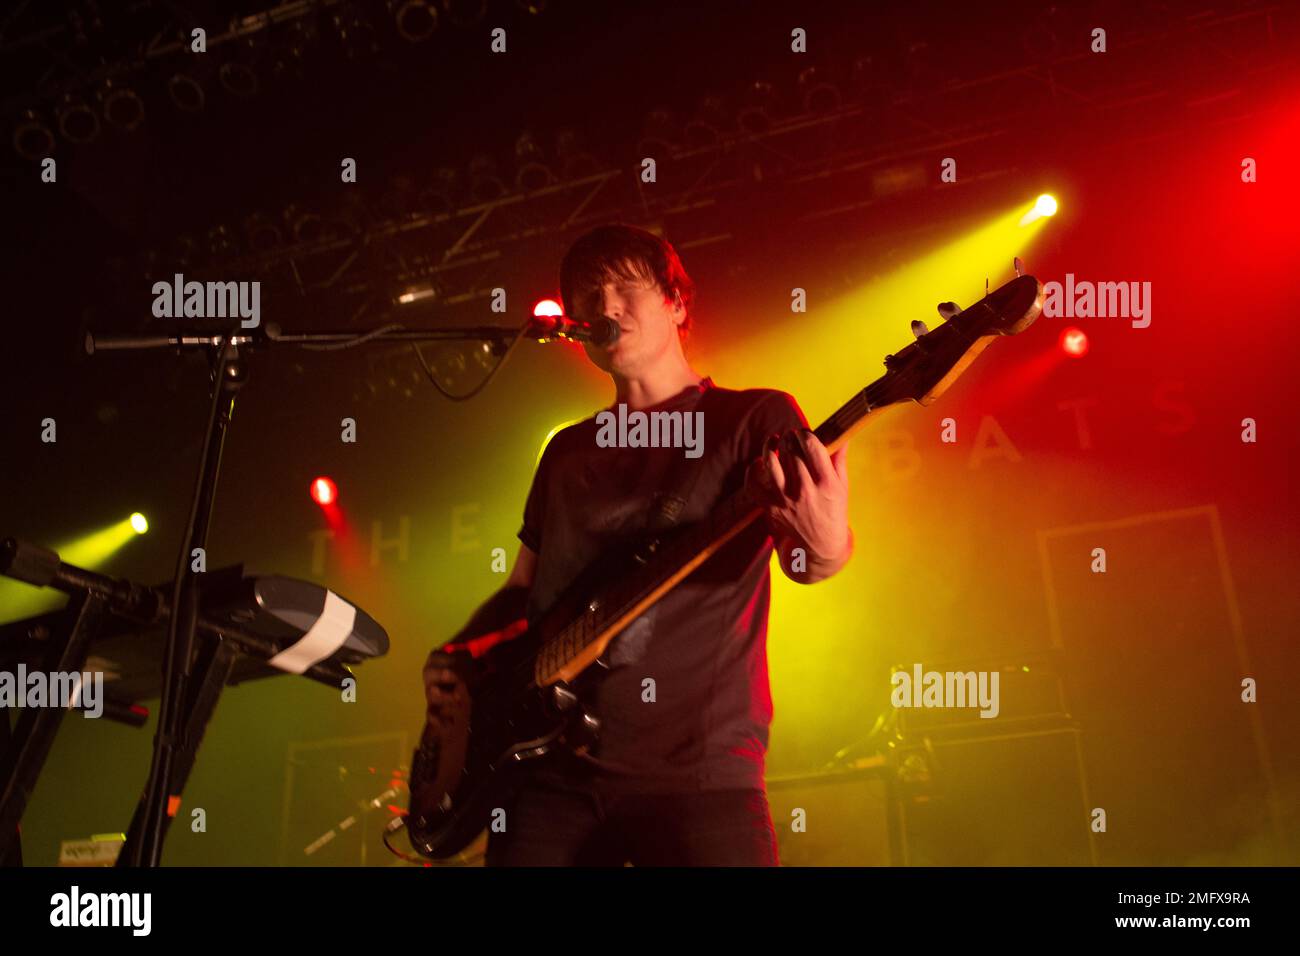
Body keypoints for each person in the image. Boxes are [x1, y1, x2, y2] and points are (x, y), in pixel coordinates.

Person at [417, 223, 852, 865]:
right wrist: (461, 651)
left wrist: (827, 543)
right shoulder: (567, 451)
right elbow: (522, 593)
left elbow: (808, 562)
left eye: (626, 288)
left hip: (699, 779)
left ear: (677, 303)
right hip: (548, 778)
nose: (605, 306)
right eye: (589, 296)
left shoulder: (752, 420)